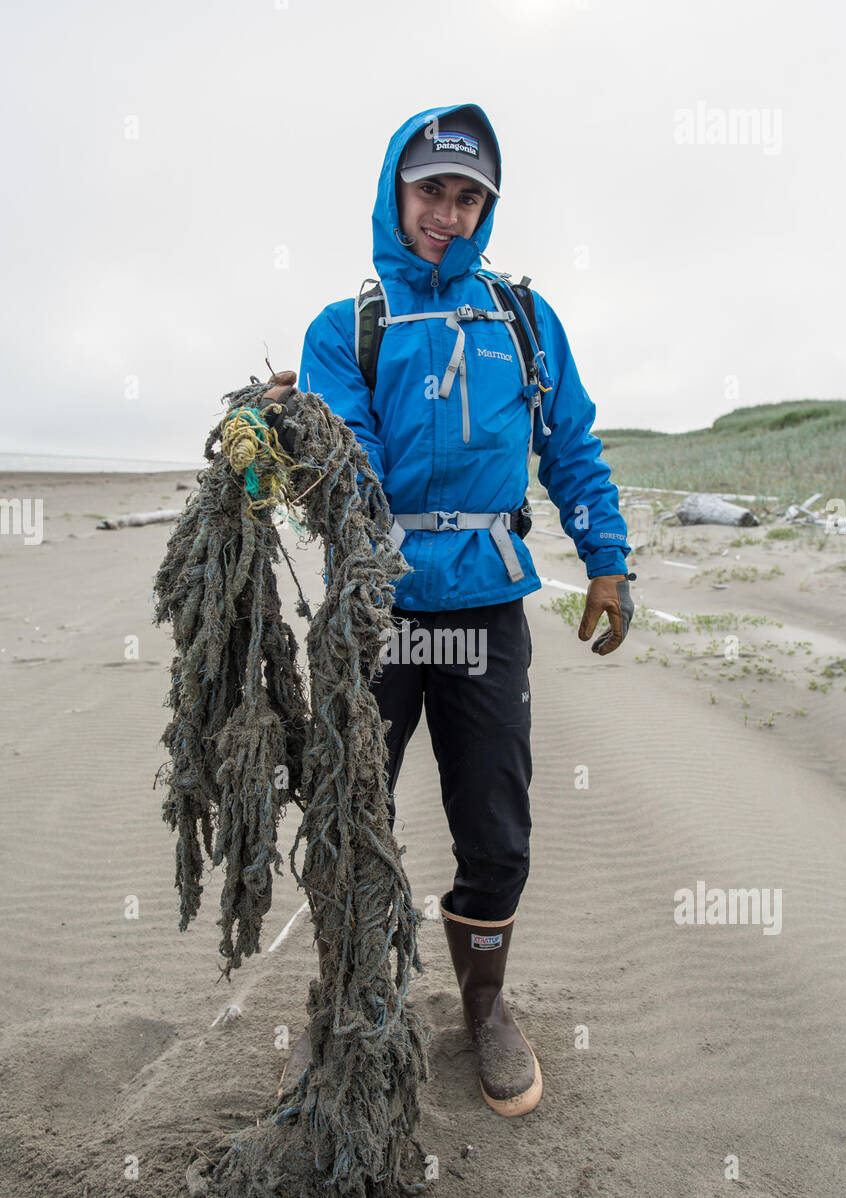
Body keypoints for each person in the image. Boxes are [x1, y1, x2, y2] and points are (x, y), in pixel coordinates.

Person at [264, 103, 634, 1118]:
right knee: (348, 817)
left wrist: (606, 557)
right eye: (432, 190)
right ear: (396, 189)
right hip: (375, 618)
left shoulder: (521, 316)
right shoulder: (349, 324)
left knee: (496, 832)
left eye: (468, 196)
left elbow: (569, 444)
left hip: (488, 612)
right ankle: (342, 1007)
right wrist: (372, 558)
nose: (449, 213)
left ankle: (483, 1007)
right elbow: (353, 466)